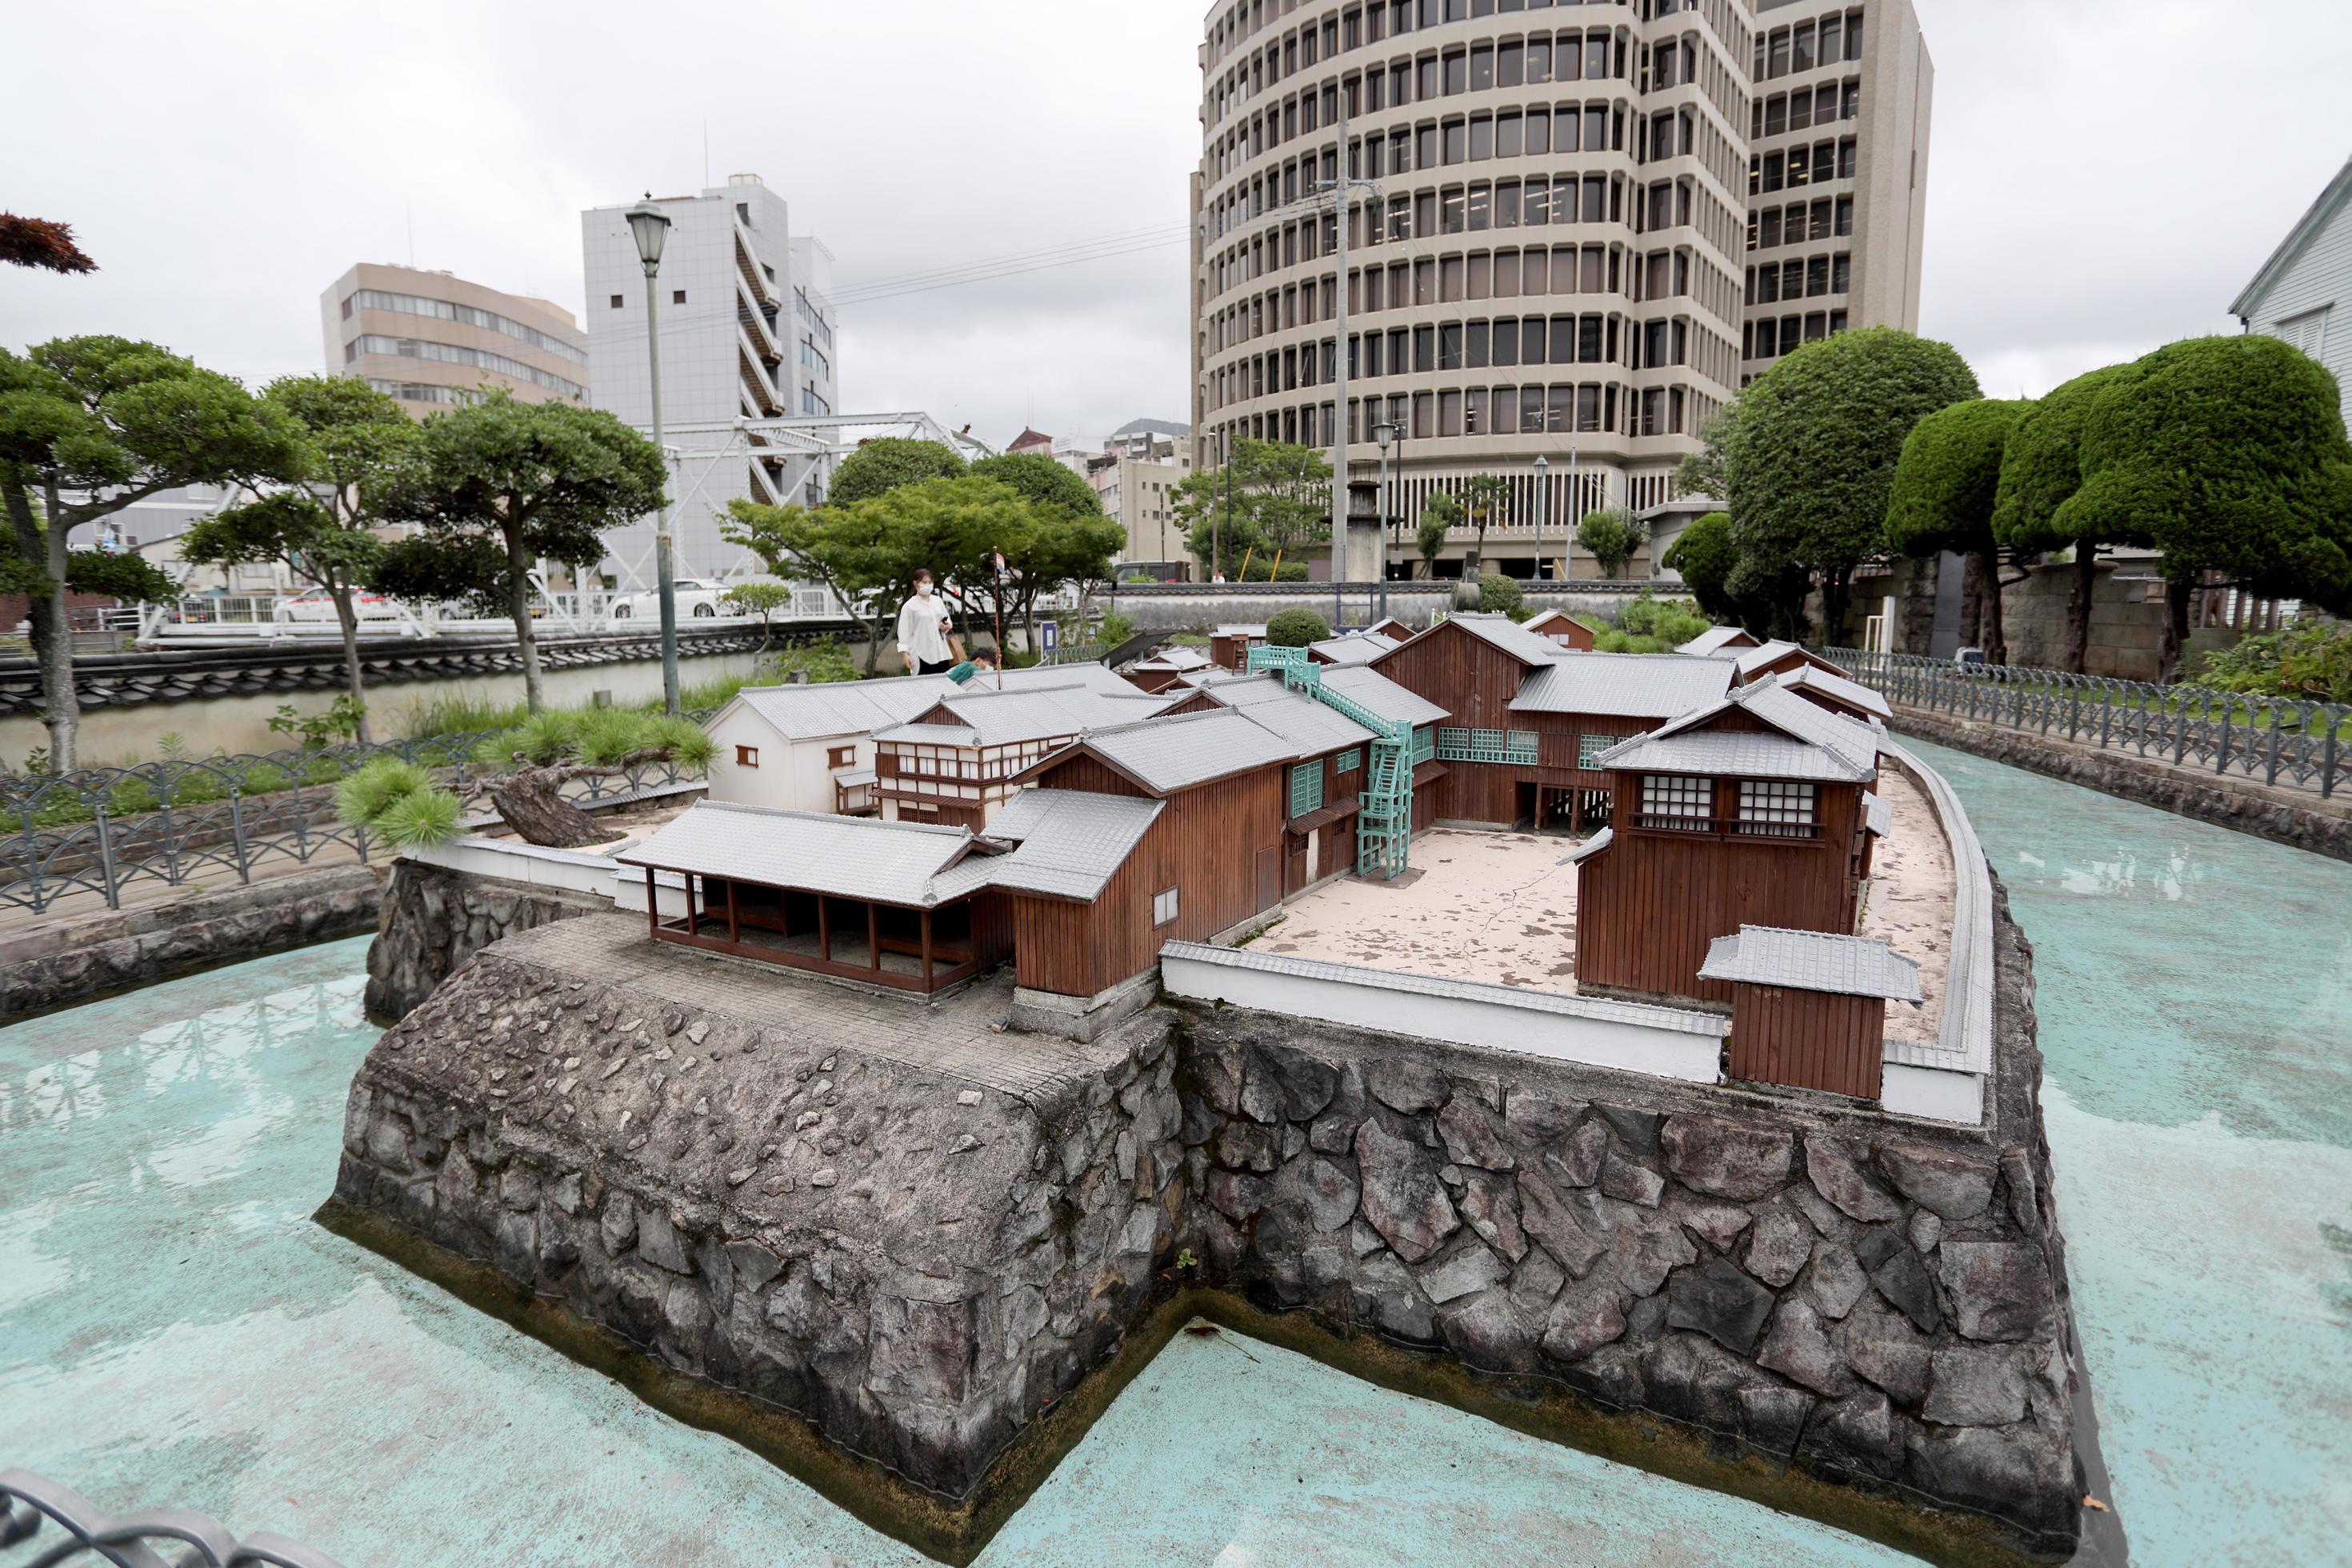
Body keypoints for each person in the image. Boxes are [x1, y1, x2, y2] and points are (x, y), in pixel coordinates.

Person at [894, 569, 956, 674]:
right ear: (916, 583)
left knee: (945, 681)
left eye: (930, 582)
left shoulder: (937, 601)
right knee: (925, 682)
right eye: (924, 582)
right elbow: (904, 632)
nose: (927, 585)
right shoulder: (909, 606)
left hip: (941, 652)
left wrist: (946, 626)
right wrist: (905, 654)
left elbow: (948, 620)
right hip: (921, 653)